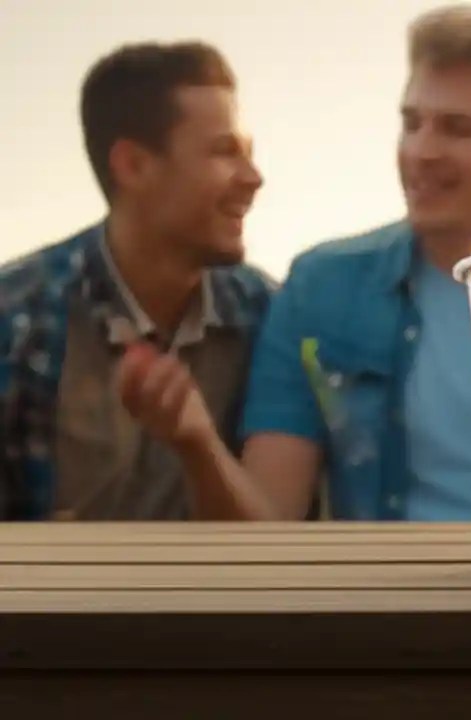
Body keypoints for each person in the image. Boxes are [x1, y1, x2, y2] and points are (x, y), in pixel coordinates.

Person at [120, 5, 471, 520]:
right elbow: (269, 531)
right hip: (390, 597)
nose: (421, 151)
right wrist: (197, 443)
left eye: (457, 128)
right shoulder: (323, 289)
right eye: (411, 123)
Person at [0, 42, 273, 521]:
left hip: (225, 598)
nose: (254, 178)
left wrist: (198, 445)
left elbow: (277, 545)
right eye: (224, 152)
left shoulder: (271, 316)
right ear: (132, 165)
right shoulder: (16, 316)